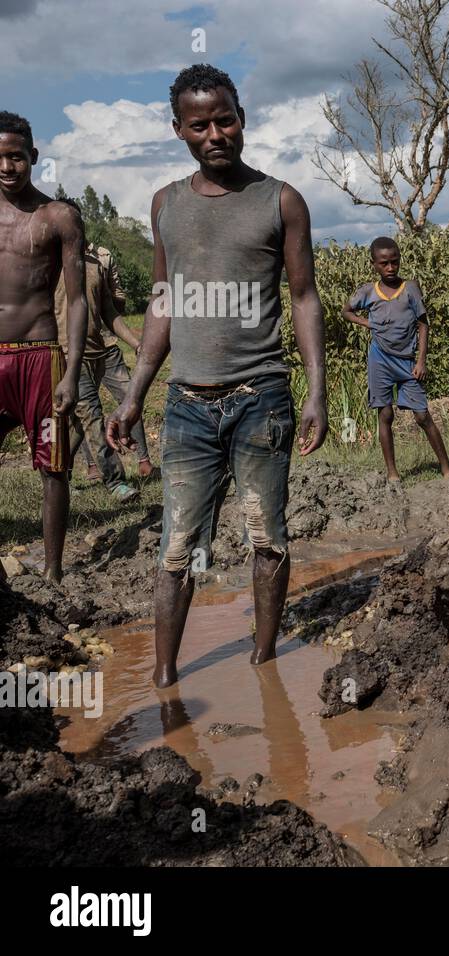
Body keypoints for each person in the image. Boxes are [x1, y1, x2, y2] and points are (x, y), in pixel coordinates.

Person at [106, 64, 328, 688]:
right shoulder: (166, 206)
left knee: (268, 538)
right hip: (187, 405)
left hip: (262, 397)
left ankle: (265, 667)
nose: (215, 134)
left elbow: (305, 297)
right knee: (176, 550)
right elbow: (162, 302)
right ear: (178, 130)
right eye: (199, 124)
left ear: (242, 118)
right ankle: (166, 678)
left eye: (225, 119)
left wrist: (316, 388)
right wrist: (134, 397)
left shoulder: (280, 200)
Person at [0, 111, 87, 584]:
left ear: (33, 158)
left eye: (17, 157)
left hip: (40, 357)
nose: (8, 167)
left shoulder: (58, 217)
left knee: (53, 464)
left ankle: (53, 572)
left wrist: (72, 371)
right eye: (0, 158)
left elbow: (76, 302)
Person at [343, 236, 449, 485]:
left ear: (400, 260)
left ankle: (446, 468)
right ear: (374, 264)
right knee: (385, 414)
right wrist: (368, 323)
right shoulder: (368, 291)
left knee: (422, 415)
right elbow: (346, 311)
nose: (391, 268)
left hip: (407, 361)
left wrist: (421, 360)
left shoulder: (411, 289)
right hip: (379, 360)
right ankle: (392, 472)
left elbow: (423, 324)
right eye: (384, 264)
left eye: (395, 262)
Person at [54, 238, 145, 501]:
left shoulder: (94, 265)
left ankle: (59, 476)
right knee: (93, 416)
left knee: (76, 425)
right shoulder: (51, 265)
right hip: (68, 355)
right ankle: (116, 482)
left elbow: (109, 312)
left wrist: (136, 343)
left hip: (97, 354)